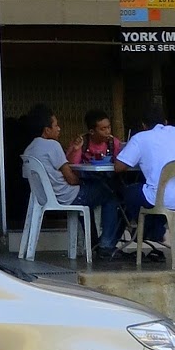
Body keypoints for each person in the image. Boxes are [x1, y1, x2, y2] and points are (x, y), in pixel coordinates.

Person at [115, 100, 175, 261]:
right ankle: (155, 231)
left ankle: (152, 231)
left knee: (131, 192)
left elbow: (119, 167)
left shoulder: (140, 138)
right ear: (165, 122)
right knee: (152, 191)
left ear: (143, 125)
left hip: (163, 199)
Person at [21, 104, 110, 256]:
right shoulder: (52, 145)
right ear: (46, 129)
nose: (59, 128)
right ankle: (107, 244)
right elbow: (71, 179)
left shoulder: (29, 149)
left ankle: (94, 242)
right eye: (56, 125)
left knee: (89, 200)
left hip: (45, 198)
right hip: (68, 197)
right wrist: (81, 181)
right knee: (108, 191)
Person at [67, 109, 130, 258]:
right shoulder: (81, 143)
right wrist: (76, 150)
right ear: (91, 131)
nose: (108, 131)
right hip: (86, 184)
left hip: (107, 181)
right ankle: (104, 244)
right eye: (103, 128)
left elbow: (119, 163)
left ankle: (104, 242)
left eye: (108, 127)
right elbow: (72, 165)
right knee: (110, 198)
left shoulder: (113, 142)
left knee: (118, 198)